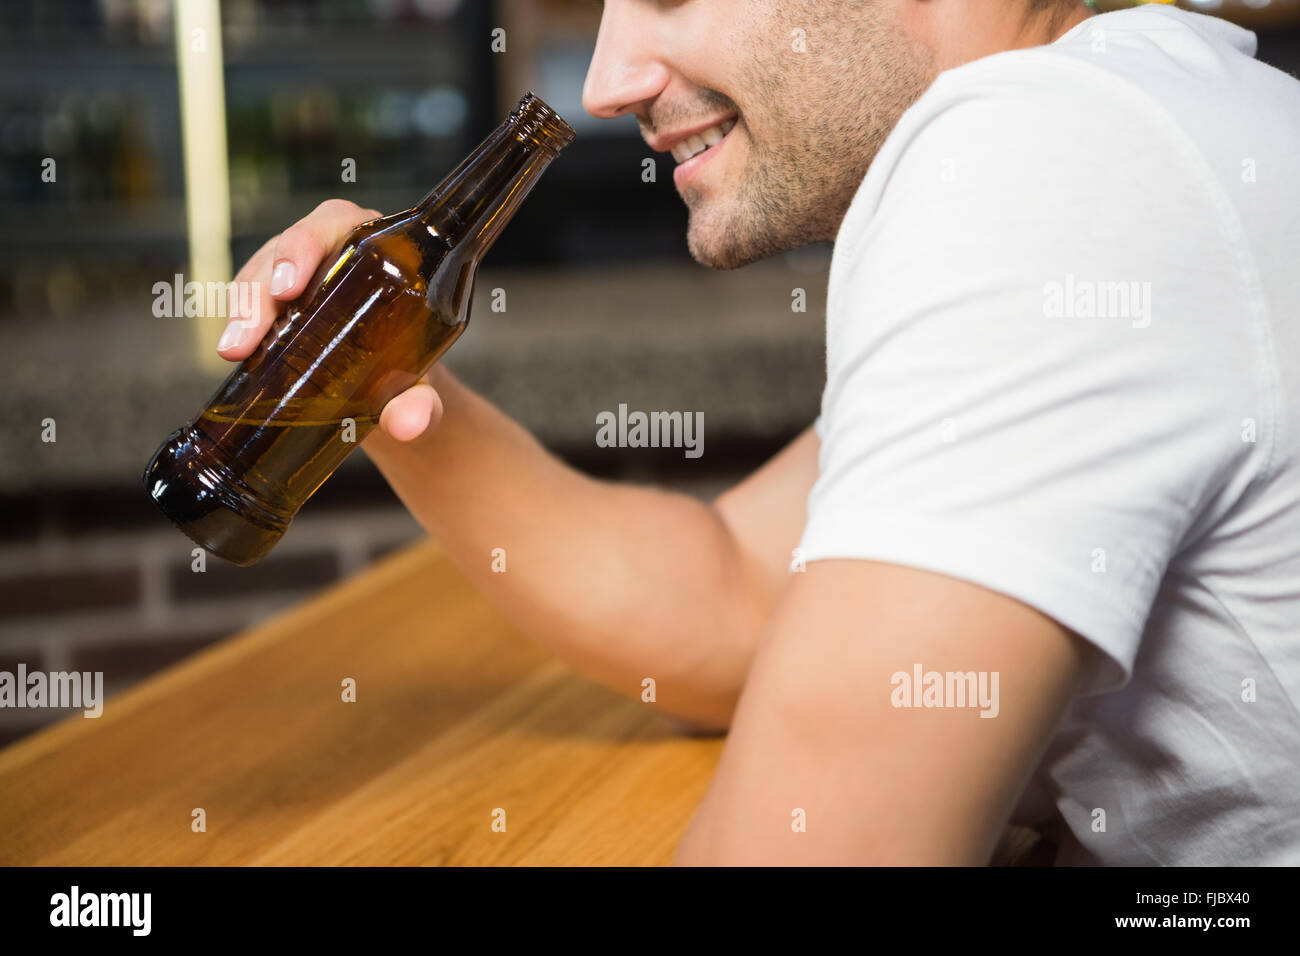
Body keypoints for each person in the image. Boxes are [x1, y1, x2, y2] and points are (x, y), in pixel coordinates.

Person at [217, 0, 1300, 865]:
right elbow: (732, 594)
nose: (603, 85)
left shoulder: (1046, 158)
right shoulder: (1151, 110)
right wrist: (377, 376)